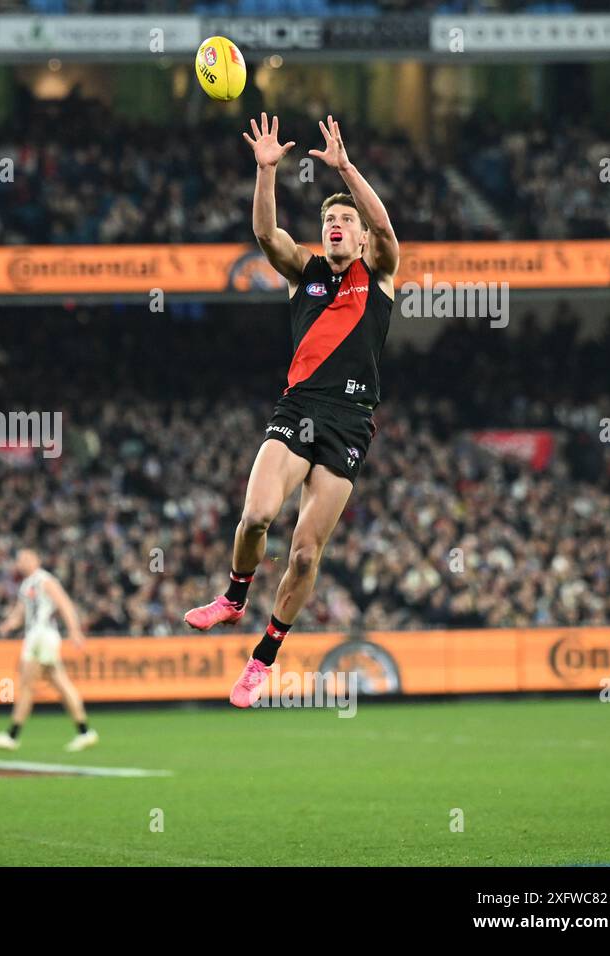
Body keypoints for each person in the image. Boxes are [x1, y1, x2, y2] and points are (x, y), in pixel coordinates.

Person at [184, 114, 399, 708]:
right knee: (255, 518)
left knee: (305, 552)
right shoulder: (302, 274)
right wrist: (266, 171)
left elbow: (384, 226)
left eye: (344, 221)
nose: (336, 225)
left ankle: (263, 659)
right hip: (298, 407)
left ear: (358, 239)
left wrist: (347, 171)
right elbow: (265, 234)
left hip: (351, 422)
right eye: (329, 219)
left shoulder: (376, 274)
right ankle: (233, 597)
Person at [0, 549, 97, 752]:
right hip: (35, 637)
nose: (21, 562)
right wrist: (7, 625)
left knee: (27, 685)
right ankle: (84, 731)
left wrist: (74, 631)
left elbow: (65, 604)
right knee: (60, 684)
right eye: (19, 560)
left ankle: (12, 735)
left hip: (42, 637)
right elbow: (20, 613)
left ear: (36, 560)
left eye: (25, 558)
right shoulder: (27, 585)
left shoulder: (45, 580)